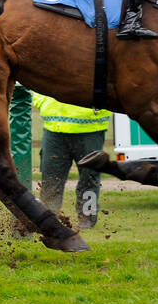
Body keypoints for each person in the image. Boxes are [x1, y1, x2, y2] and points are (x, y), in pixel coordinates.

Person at [31, 93, 112, 230]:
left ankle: (87, 218)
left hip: (90, 129)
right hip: (54, 129)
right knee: (50, 178)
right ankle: (49, 218)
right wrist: (44, 103)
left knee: (89, 177)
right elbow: (37, 87)